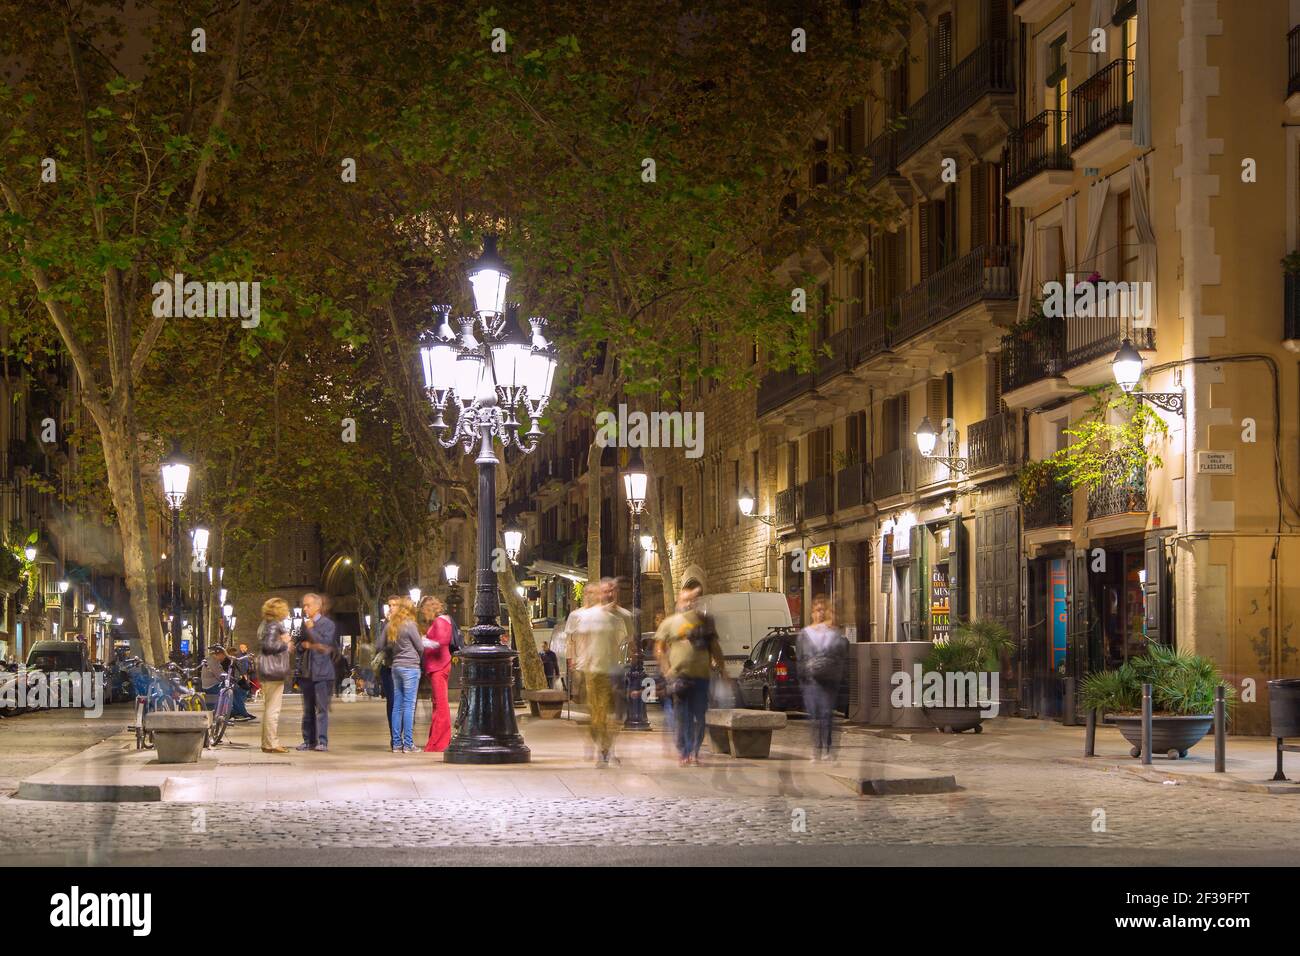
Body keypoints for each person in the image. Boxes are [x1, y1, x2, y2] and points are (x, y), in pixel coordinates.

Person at [654, 584, 725, 767]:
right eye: (687, 599)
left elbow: (715, 647)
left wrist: (723, 669)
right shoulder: (669, 623)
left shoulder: (705, 621)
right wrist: (666, 669)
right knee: (682, 716)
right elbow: (659, 648)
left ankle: (695, 751)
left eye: (694, 599)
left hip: (701, 676)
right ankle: (684, 750)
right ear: (679, 600)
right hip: (679, 676)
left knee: (699, 716)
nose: (690, 603)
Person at [572, 585, 623, 767]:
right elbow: (582, 642)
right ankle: (604, 748)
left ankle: (606, 747)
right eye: (604, 591)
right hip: (593, 671)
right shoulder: (587, 617)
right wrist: (580, 666)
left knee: (611, 714)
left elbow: (616, 644)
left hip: (610, 670)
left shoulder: (612, 618)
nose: (607, 594)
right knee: (598, 713)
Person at [797, 595, 848, 761]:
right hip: (811, 681)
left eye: (822, 610)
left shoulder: (833, 633)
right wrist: (804, 677)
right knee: (814, 715)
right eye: (817, 610)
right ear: (812, 613)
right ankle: (816, 748)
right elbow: (801, 657)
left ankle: (827, 749)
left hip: (828, 681)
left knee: (826, 714)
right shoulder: (805, 634)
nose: (820, 614)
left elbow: (841, 653)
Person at [384, 596, 431, 753]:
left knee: (397, 706)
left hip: (396, 667)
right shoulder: (410, 624)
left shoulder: (393, 625)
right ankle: (408, 744)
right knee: (409, 706)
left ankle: (396, 744)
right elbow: (420, 646)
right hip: (410, 667)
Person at [295, 592, 338, 752]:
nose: (305, 608)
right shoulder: (304, 624)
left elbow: (326, 644)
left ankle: (322, 741)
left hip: (322, 673)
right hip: (307, 672)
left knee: (321, 709)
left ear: (317, 606)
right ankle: (308, 740)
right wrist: (303, 645)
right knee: (307, 710)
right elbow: (299, 644)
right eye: (304, 605)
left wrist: (311, 633)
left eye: (308, 605)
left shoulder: (328, 624)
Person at [255, 598, 293, 753]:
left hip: (267, 671)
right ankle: (271, 743)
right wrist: (286, 644)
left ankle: (267, 742)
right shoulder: (274, 625)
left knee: (269, 708)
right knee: (273, 709)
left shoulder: (265, 624)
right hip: (273, 672)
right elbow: (269, 646)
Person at [417, 595, 454, 752]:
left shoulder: (440, 621)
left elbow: (442, 641)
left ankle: (440, 742)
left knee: (440, 704)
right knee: (438, 704)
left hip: (439, 666)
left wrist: (422, 641)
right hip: (438, 665)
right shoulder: (443, 621)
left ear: (429, 608)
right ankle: (437, 740)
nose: (424, 614)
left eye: (424, 610)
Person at [201, 645, 254, 721]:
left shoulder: (213, 660)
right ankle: (241, 713)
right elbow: (220, 675)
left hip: (214, 684)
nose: (224, 658)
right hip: (212, 686)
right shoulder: (212, 662)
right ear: (220, 654)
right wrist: (231, 679)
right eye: (224, 656)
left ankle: (239, 712)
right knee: (233, 690)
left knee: (235, 688)